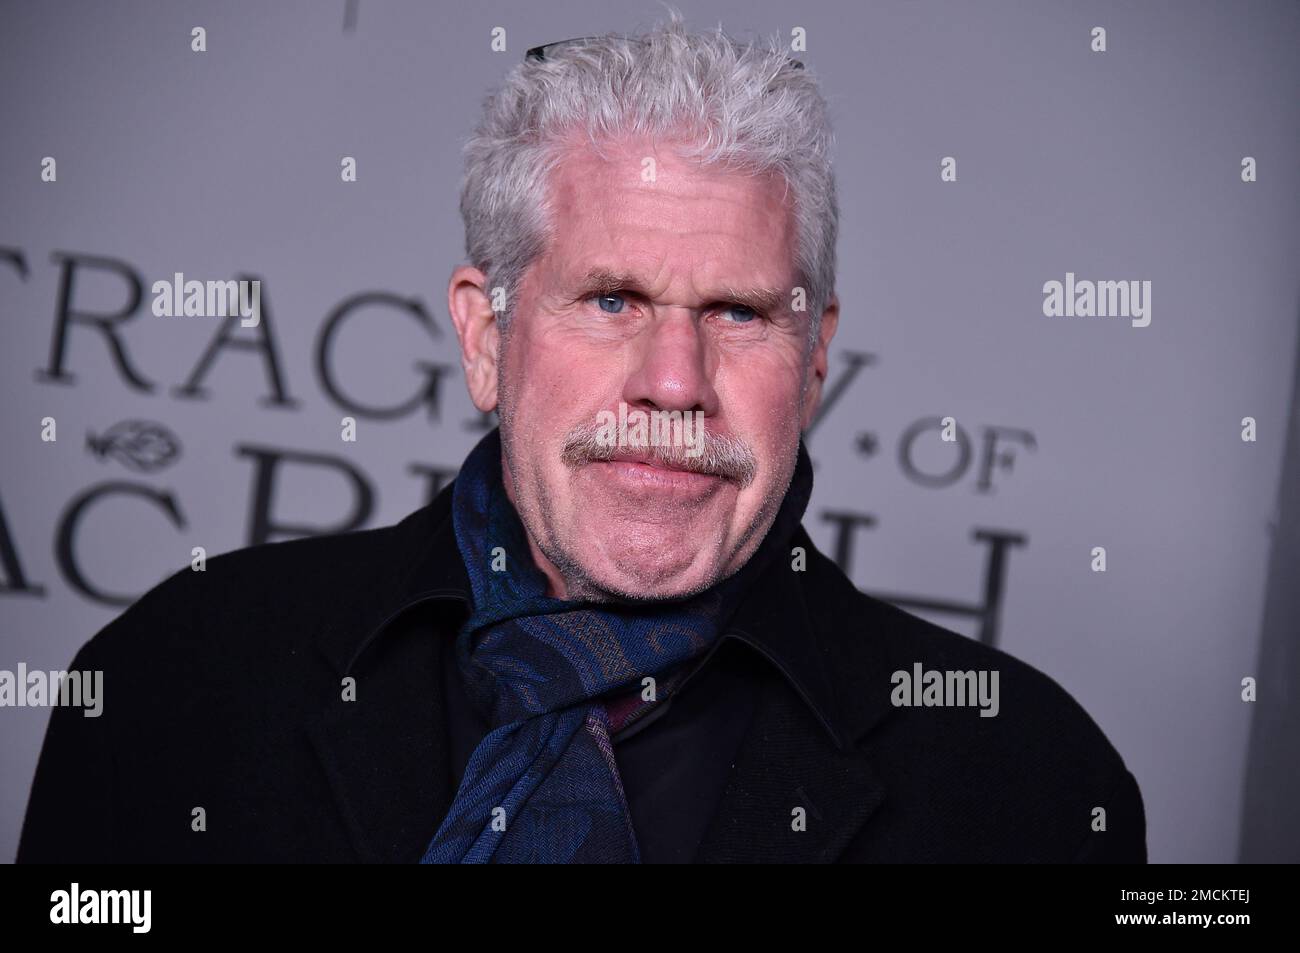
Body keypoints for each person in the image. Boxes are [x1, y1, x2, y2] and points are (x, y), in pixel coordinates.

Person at [18, 12, 1145, 863]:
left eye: (736, 313)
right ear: (482, 335)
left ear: (811, 360)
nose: (673, 383)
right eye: (610, 298)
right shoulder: (178, 680)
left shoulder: (1030, 786)